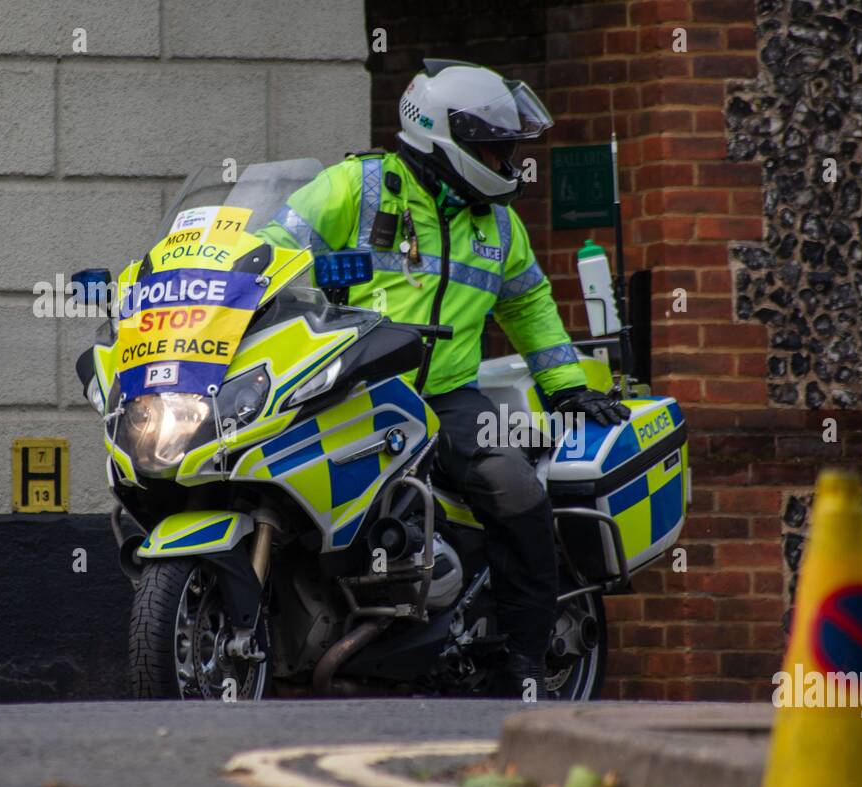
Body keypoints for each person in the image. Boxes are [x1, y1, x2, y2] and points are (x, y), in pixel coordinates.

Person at [256, 59, 628, 698]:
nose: (507, 161)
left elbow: (530, 306)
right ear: (442, 135)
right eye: (494, 147)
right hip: (344, 384)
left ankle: (525, 661)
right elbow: (265, 253)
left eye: (508, 149)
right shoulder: (358, 187)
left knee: (517, 493)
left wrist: (567, 386)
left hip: (448, 398)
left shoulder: (499, 227)